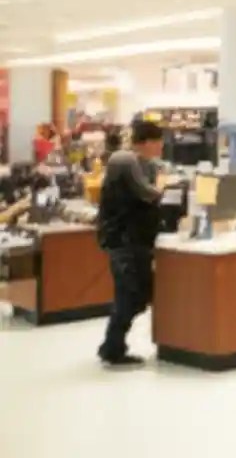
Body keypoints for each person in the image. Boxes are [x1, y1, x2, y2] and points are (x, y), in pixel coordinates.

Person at [95, 120, 165, 366]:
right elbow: (148, 193)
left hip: (137, 240)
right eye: (158, 143)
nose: (161, 148)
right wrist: (164, 187)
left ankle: (112, 346)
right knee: (130, 294)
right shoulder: (124, 160)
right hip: (123, 241)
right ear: (146, 142)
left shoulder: (145, 164)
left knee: (138, 294)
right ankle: (112, 348)